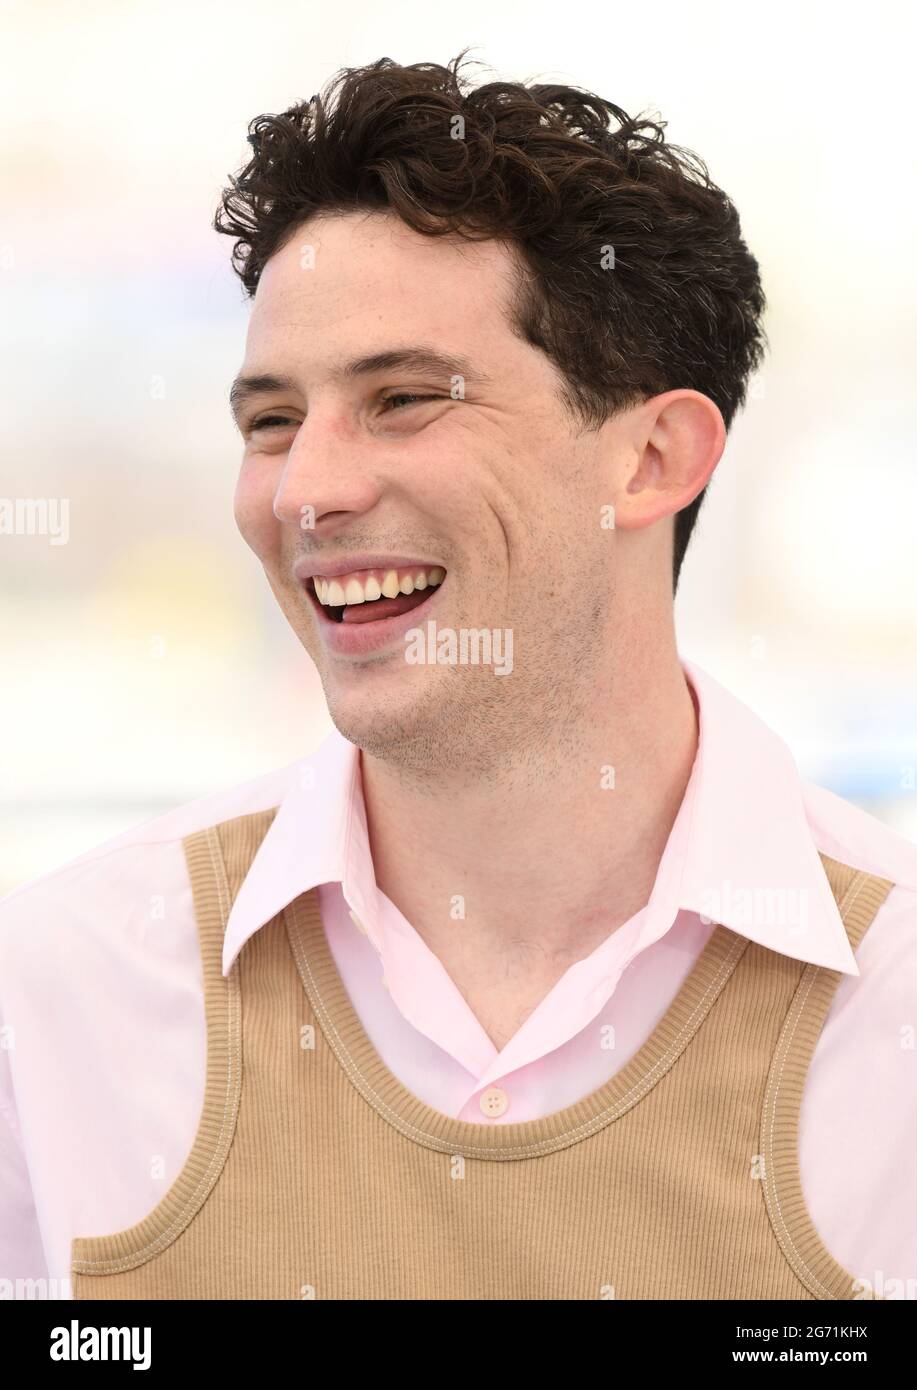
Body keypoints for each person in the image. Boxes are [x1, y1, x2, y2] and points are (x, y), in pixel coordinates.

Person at [1, 53, 915, 1302]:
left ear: (651, 458)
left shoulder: (894, 1015)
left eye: (402, 400)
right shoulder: (59, 991)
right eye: (271, 420)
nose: (305, 490)